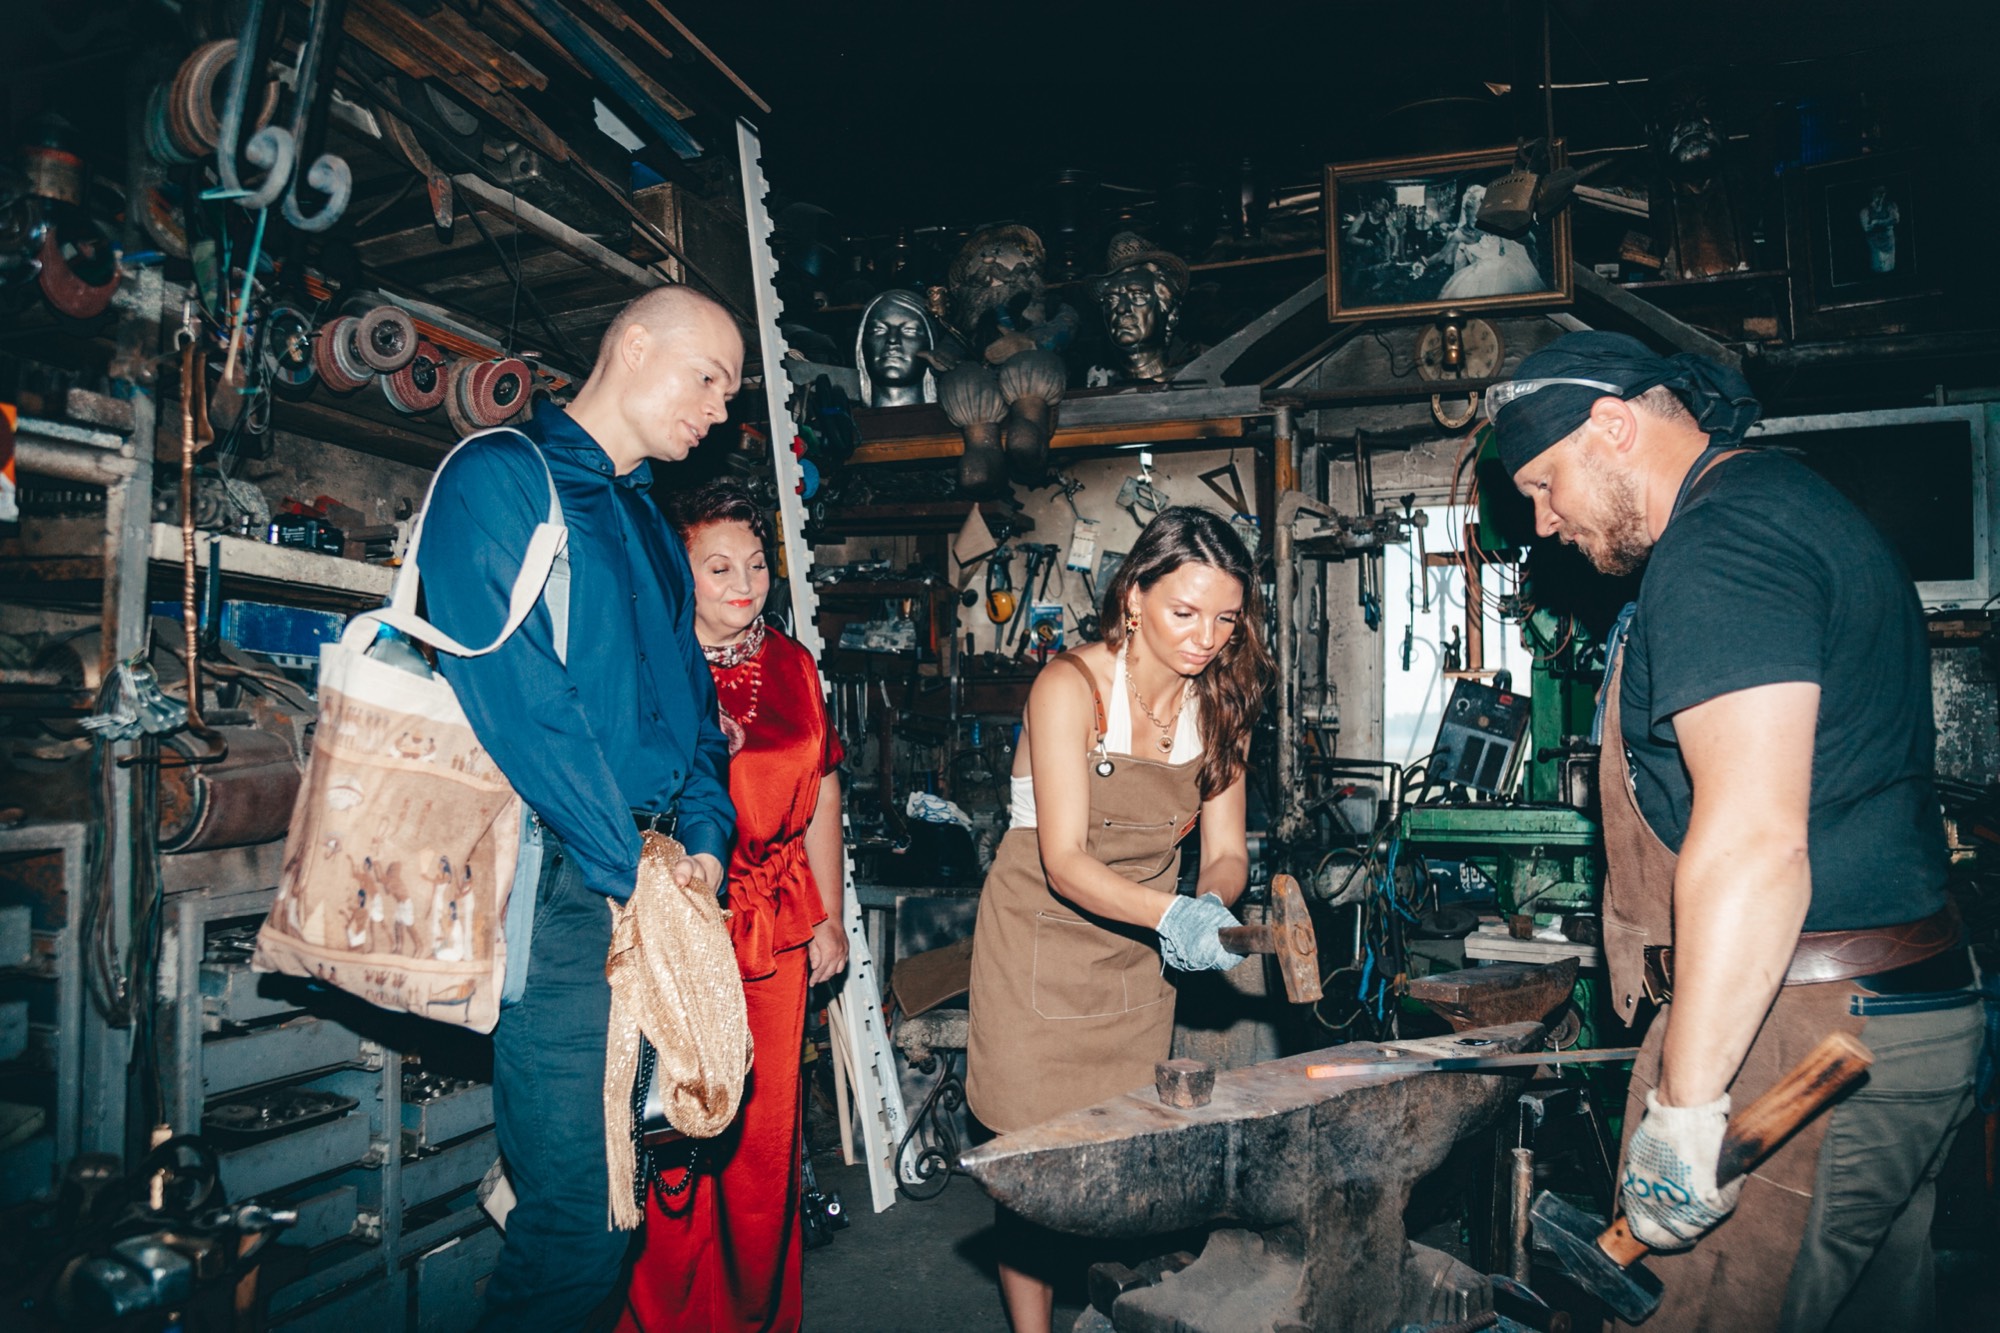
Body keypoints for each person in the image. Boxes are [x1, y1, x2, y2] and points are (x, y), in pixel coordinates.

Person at [1491, 330, 1982, 1331]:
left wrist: (1684, 1108)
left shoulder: (1722, 546)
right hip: (1890, 1009)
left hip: (1802, 1031)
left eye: (1542, 486)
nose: (1540, 524)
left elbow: (1755, 841)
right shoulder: (1788, 506)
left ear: (1612, 428)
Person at [420, 286, 740, 1330]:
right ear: (633, 344)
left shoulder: (648, 522)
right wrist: (625, 872)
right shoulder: (498, 479)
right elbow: (523, 707)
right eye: (710, 377)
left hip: (642, 877)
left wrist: (701, 841)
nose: (722, 409)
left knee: (610, 1198)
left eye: (734, 388)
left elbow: (690, 714)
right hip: (561, 888)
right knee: (580, 1219)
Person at [965, 506, 1272, 1333]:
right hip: (1040, 947)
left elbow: (1227, 848)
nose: (1205, 637)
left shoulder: (1220, 702)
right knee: (1035, 1169)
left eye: (1225, 618)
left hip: (1138, 958)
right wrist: (1174, 911)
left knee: (1121, 1159)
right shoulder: (1070, 686)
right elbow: (1065, 859)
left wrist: (1211, 901)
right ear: (1134, 595)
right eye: (1184, 612)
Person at [619, 479, 849, 1333]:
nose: (743, 583)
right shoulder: (649, 664)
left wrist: (825, 913)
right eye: (718, 567)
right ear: (680, 571)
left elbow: (823, 788)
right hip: (681, 928)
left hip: (777, 924)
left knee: (759, 1145)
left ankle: (754, 1318)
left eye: (755, 563)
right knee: (673, 1133)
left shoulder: (793, 663)